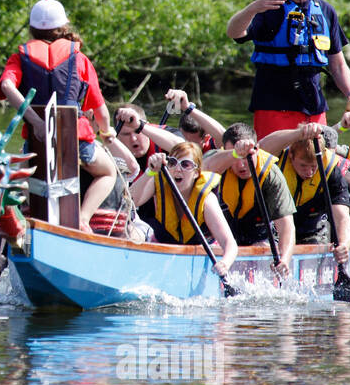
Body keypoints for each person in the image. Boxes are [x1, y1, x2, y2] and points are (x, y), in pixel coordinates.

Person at [226, 0, 350, 140]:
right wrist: (253, 8)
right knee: (276, 166)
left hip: (314, 108)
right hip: (273, 108)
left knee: (315, 165)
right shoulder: (269, 7)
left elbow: (338, 65)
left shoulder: (325, 11)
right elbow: (233, 32)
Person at [0, 0, 112, 150]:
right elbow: (101, 112)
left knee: (26, 165)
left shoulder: (19, 59)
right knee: (107, 171)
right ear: (64, 28)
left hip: (37, 140)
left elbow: (6, 85)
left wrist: (37, 123)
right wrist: (106, 132)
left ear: (31, 29)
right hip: (76, 139)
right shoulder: (80, 59)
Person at [130, 142, 239, 277]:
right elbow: (130, 201)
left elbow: (229, 243)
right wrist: (149, 172)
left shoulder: (207, 200)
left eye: (185, 164)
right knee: (131, 230)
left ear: (196, 173)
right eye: (172, 163)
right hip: (163, 253)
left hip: (200, 257)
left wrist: (224, 264)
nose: (177, 169)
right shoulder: (158, 182)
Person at [201, 123, 296, 277]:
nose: (242, 164)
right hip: (222, 237)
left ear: (257, 150)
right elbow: (203, 166)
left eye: (247, 156)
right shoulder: (216, 162)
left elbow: (286, 226)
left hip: (259, 237)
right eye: (237, 156)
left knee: (265, 245)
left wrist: (284, 259)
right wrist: (233, 154)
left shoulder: (271, 174)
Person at [259, 122, 350, 263]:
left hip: (312, 230)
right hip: (276, 230)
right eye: (303, 165)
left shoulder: (332, 172)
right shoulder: (279, 159)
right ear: (291, 155)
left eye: (314, 167)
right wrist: (299, 133)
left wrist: (344, 245)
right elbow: (261, 147)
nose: (309, 172)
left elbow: (342, 218)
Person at [114, 104, 183, 181]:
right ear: (117, 137)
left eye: (137, 131)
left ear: (147, 125)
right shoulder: (111, 151)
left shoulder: (165, 134)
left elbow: (184, 147)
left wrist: (140, 126)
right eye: (126, 134)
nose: (133, 138)